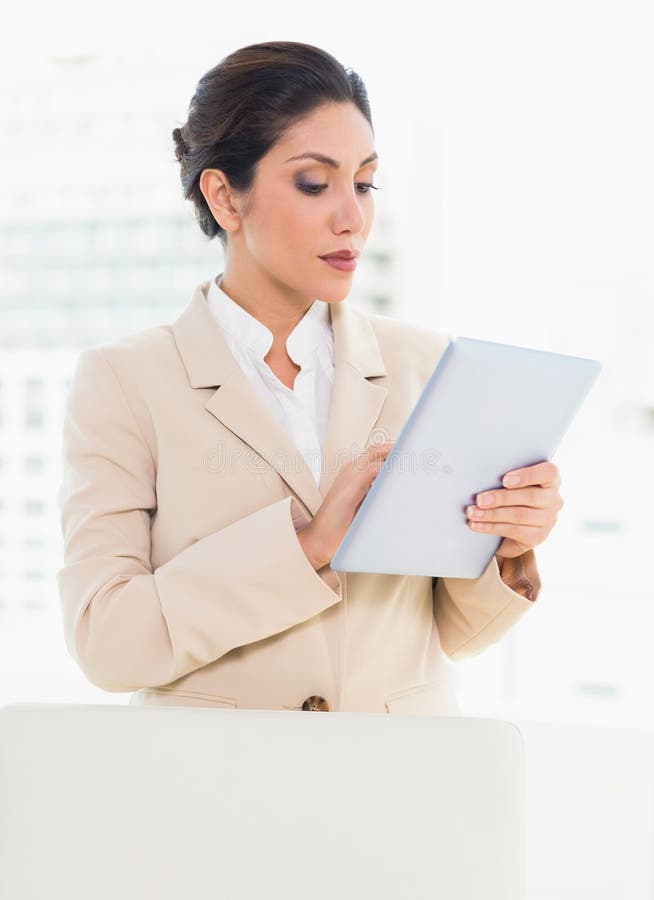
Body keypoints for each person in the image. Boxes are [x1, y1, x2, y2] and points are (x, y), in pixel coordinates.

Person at [56, 40, 563, 716]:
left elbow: (452, 634)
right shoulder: (124, 382)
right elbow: (107, 644)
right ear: (224, 198)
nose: (352, 216)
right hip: (215, 795)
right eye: (315, 183)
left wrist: (507, 544)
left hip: (400, 791)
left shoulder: (425, 365)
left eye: (365, 182)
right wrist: (305, 546)